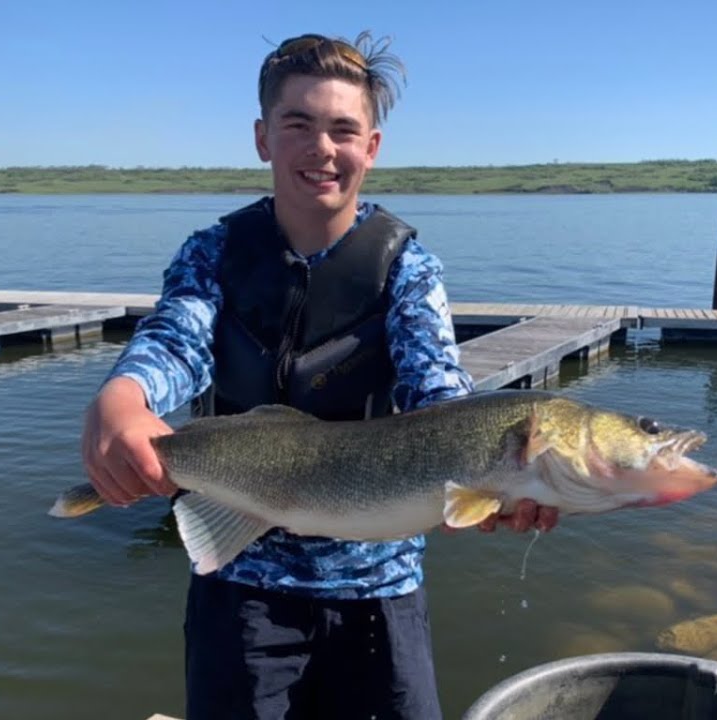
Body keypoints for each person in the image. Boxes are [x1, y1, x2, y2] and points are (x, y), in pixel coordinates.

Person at [79, 31, 559, 719]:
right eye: (298, 125)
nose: (322, 148)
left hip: (379, 596)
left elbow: (439, 390)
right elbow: (175, 340)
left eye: (343, 129)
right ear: (262, 137)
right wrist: (124, 396)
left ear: (372, 147)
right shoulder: (212, 252)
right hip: (241, 589)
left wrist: (506, 475)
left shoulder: (406, 266)